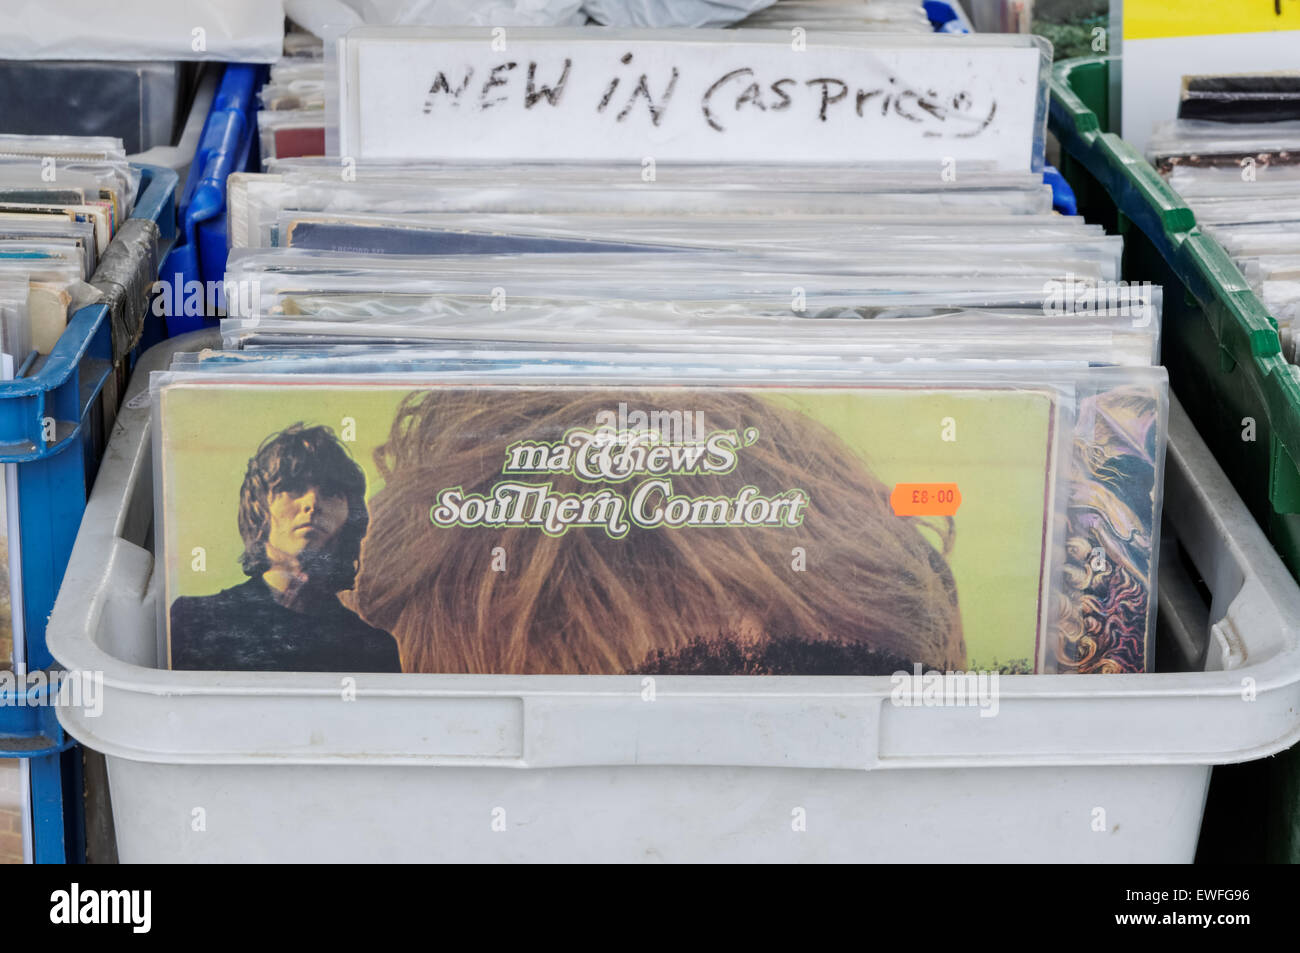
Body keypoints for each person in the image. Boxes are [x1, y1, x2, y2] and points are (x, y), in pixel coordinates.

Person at [169, 424, 401, 673]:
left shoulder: (373, 648)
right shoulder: (196, 621)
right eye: (293, 487)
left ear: (350, 517)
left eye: (331, 492)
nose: (312, 502)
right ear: (259, 508)